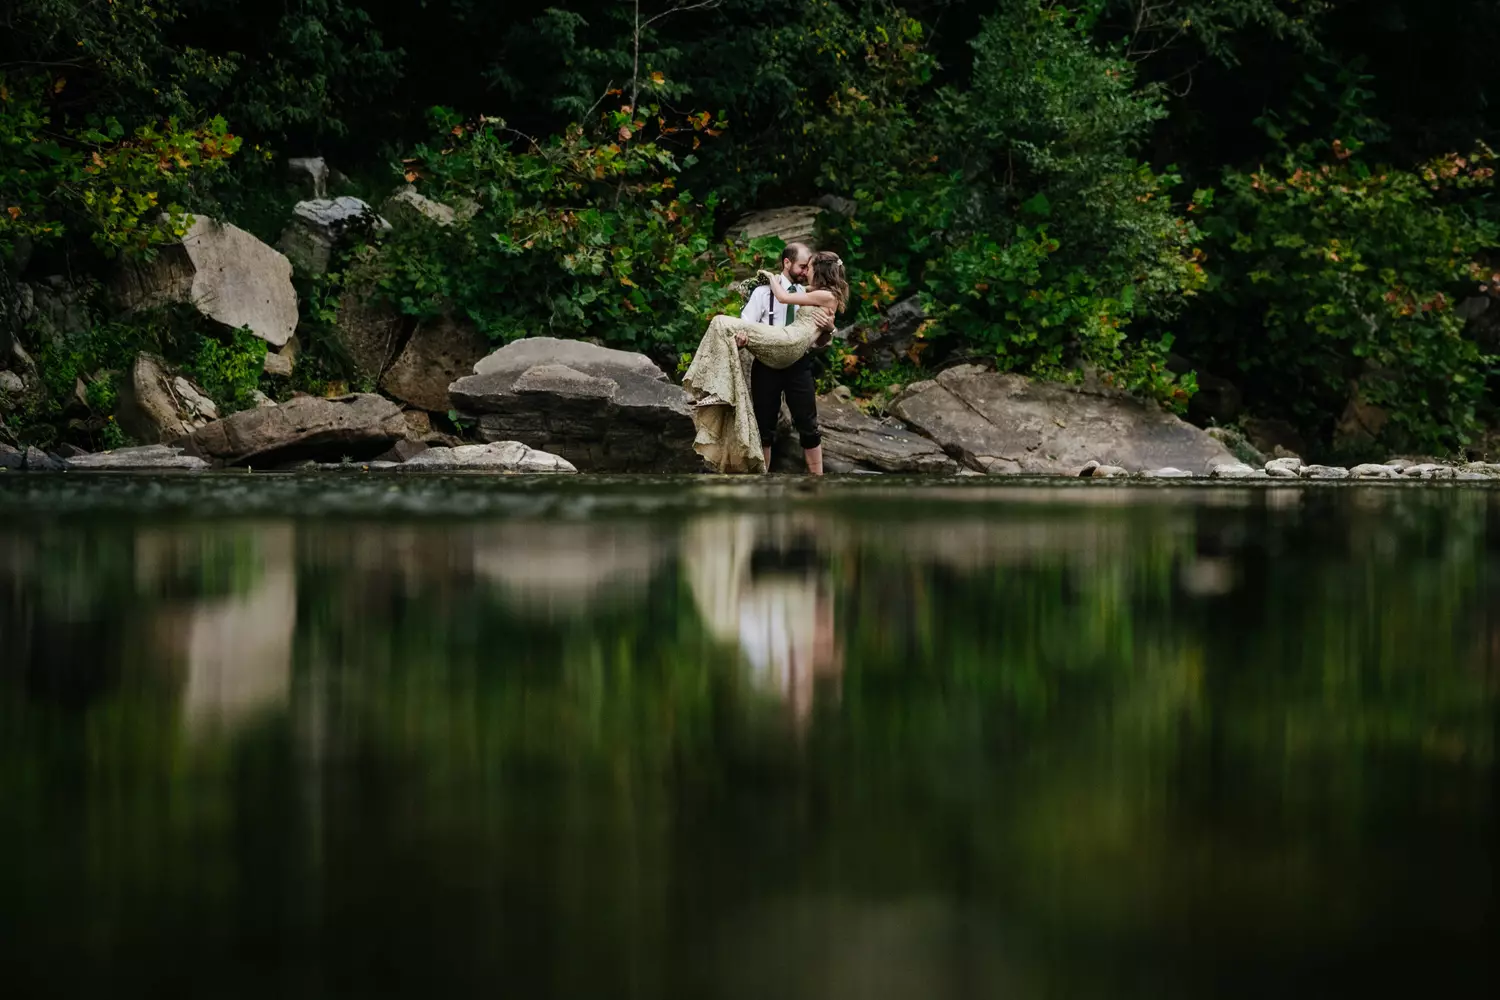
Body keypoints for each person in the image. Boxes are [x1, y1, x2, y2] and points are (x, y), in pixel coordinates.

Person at [683, 250, 850, 474]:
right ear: (787, 263)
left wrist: (831, 329)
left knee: (808, 425)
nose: (804, 272)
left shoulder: (809, 292)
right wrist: (741, 340)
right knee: (764, 427)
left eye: (808, 267)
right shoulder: (762, 293)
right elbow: (746, 325)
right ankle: (761, 478)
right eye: (802, 266)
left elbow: (820, 340)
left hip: (797, 361)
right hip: (766, 361)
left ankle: (816, 480)